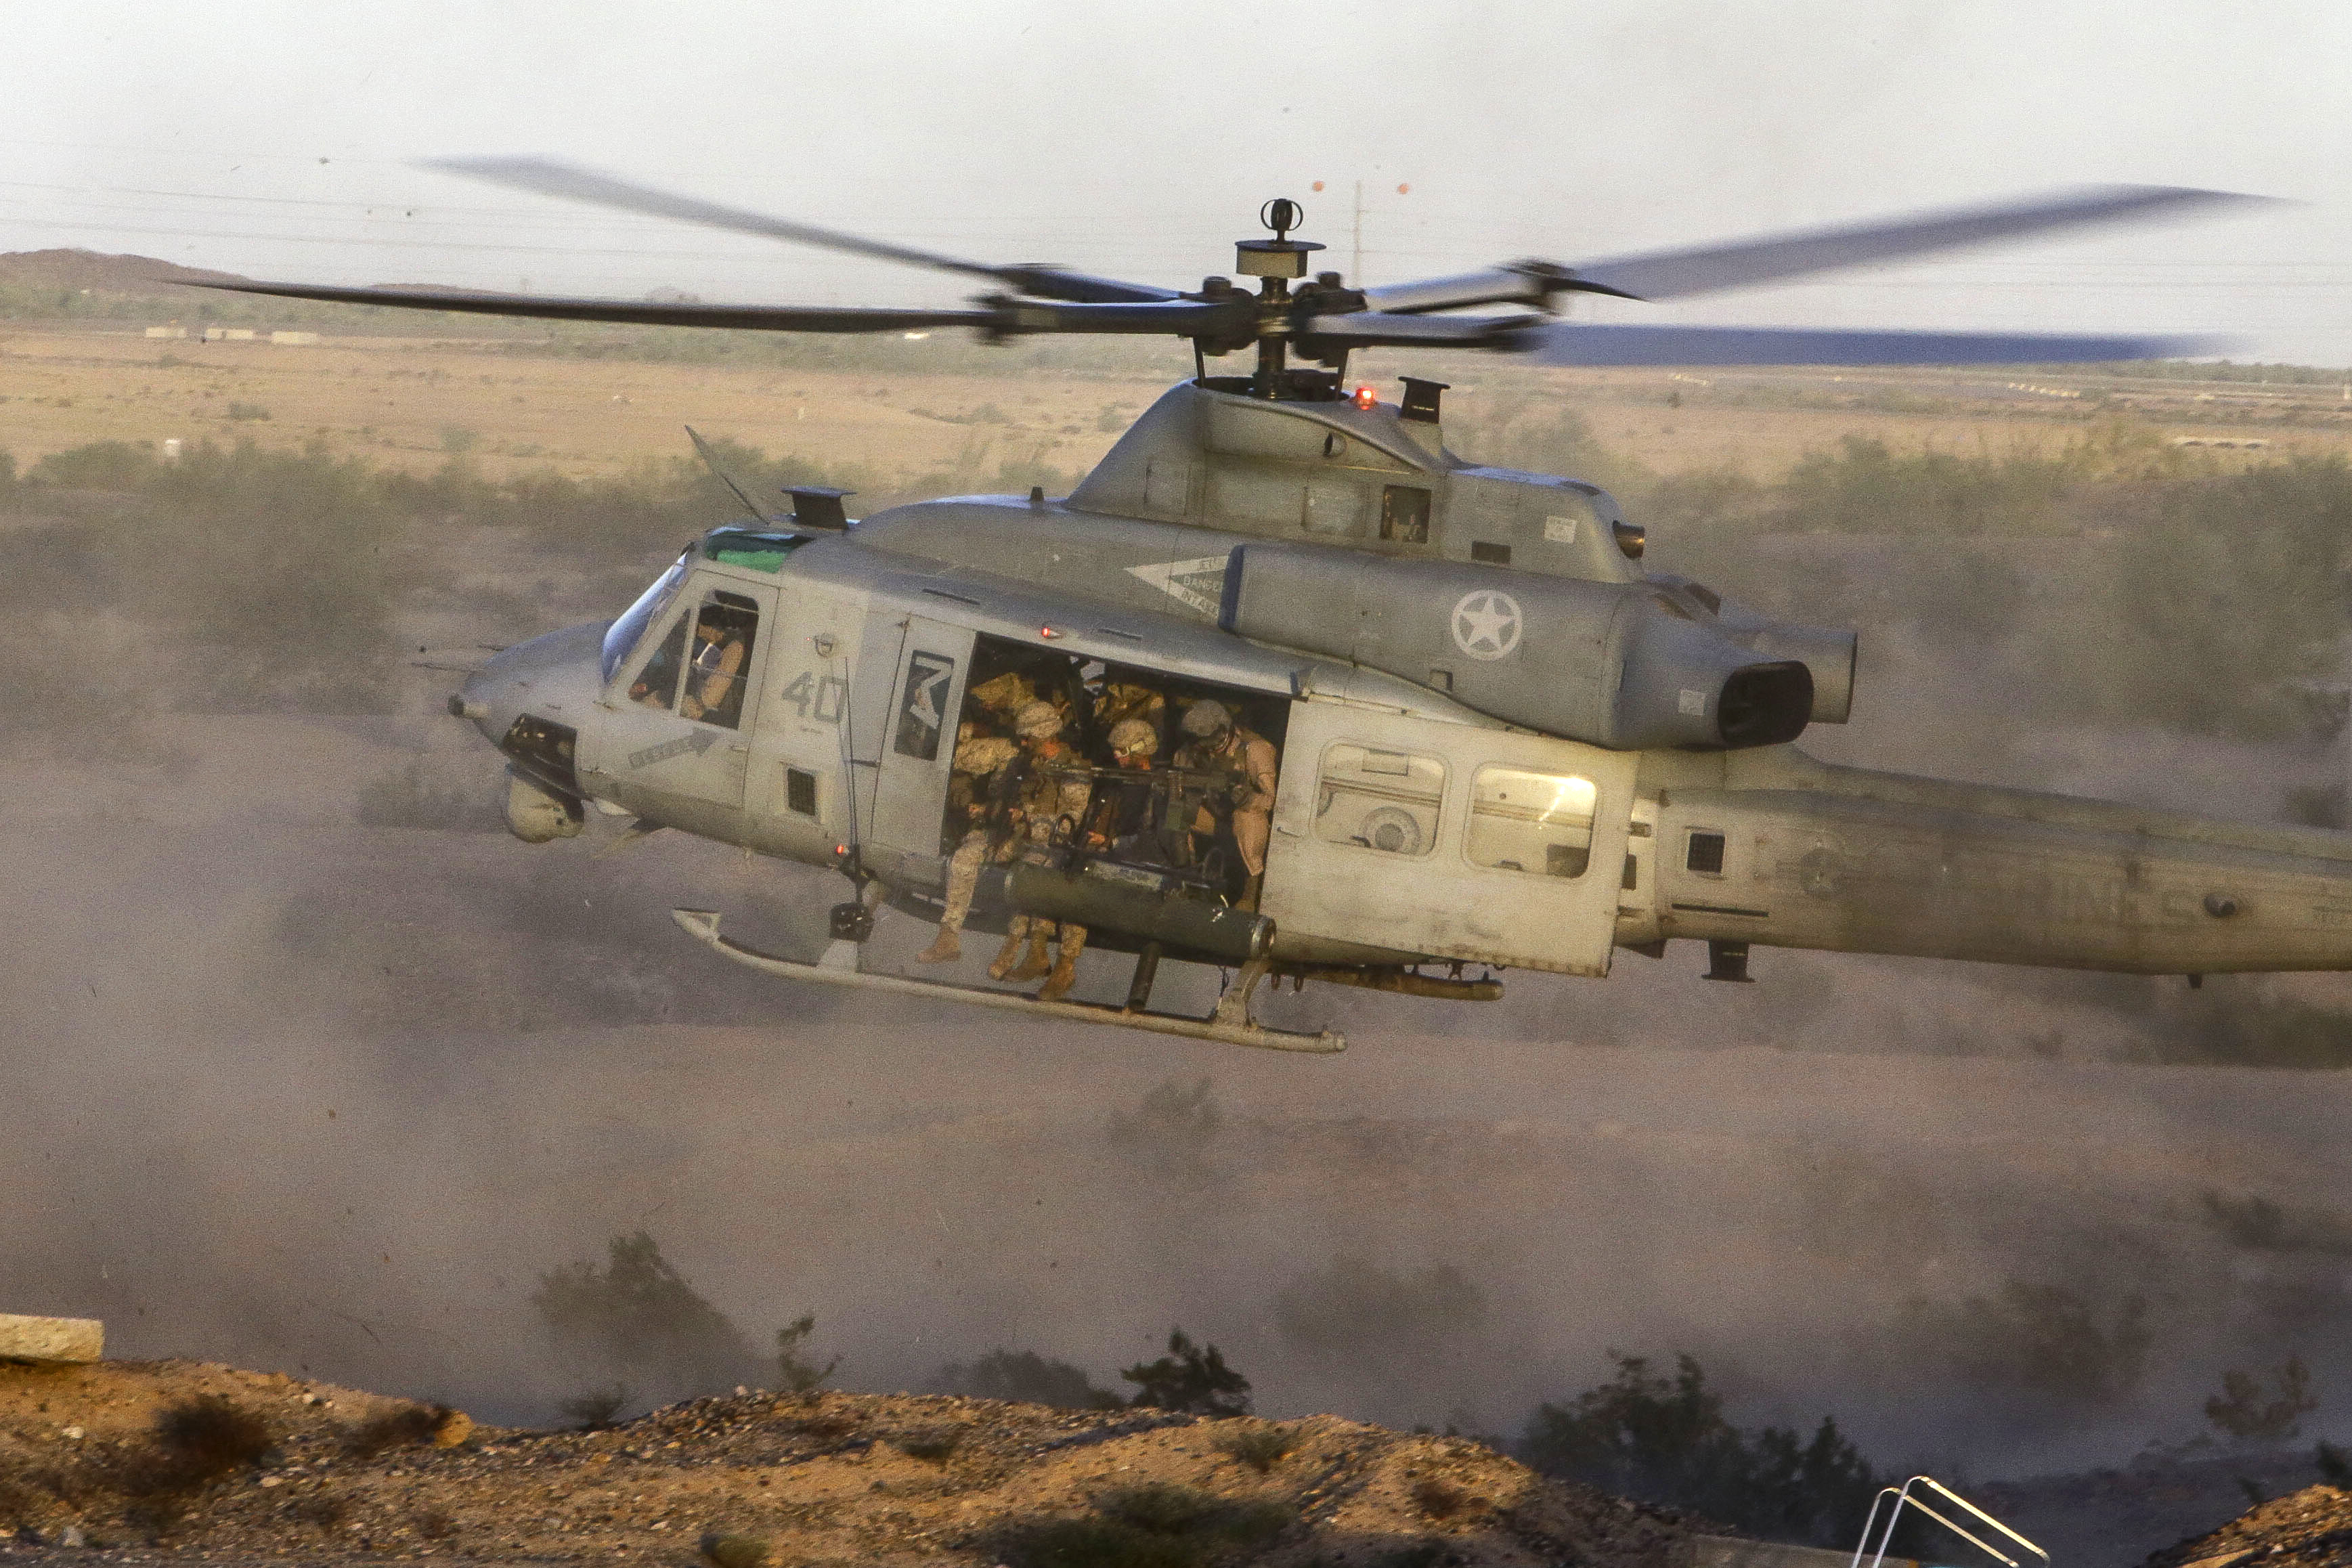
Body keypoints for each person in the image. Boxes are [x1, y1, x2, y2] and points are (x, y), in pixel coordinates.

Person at [993, 701, 1095, 1001]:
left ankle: (1062, 967)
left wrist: (1030, 822)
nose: (1024, 744)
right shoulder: (1038, 767)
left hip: (1065, 847)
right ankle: (1034, 952)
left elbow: (1072, 821)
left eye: (1029, 738)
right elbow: (1031, 802)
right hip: (1037, 843)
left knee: (1045, 875)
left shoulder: (1073, 769)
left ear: (1045, 734)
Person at [915, 729, 1022, 965]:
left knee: (964, 860)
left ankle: (949, 937)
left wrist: (987, 811)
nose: (1024, 741)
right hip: (1000, 829)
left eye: (1029, 738)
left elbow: (1027, 812)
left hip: (1023, 837)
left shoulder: (1026, 762)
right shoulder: (1013, 760)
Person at [1174, 699, 1279, 908]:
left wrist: (1248, 799)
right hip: (1218, 820)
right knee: (1177, 810)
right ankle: (1184, 872)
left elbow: (1273, 800)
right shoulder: (1191, 752)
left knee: (1246, 817)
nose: (1205, 746)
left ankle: (1251, 890)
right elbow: (1181, 790)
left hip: (1250, 826)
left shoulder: (1254, 749)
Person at [680, 611, 747, 724]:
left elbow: (709, 699)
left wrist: (688, 702)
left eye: (704, 632)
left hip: (712, 710)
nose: (703, 637)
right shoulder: (721, 648)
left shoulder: (735, 649)